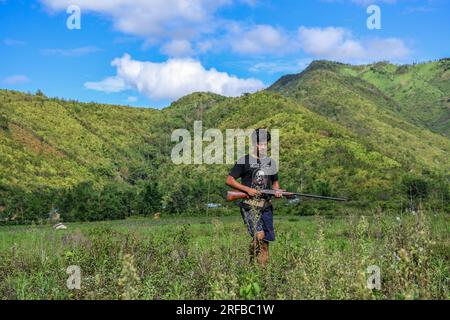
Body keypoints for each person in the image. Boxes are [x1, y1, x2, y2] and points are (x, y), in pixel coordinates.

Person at [225, 128, 282, 266]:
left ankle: (262, 274)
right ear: (254, 144)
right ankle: (251, 260)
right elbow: (230, 180)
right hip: (249, 205)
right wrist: (247, 189)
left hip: (266, 207)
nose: (262, 146)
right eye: (259, 143)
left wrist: (277, 191)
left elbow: (275, 183)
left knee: (265, 244)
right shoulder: (244, 161)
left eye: (264, 143)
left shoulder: (271, 162)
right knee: (259, 236)